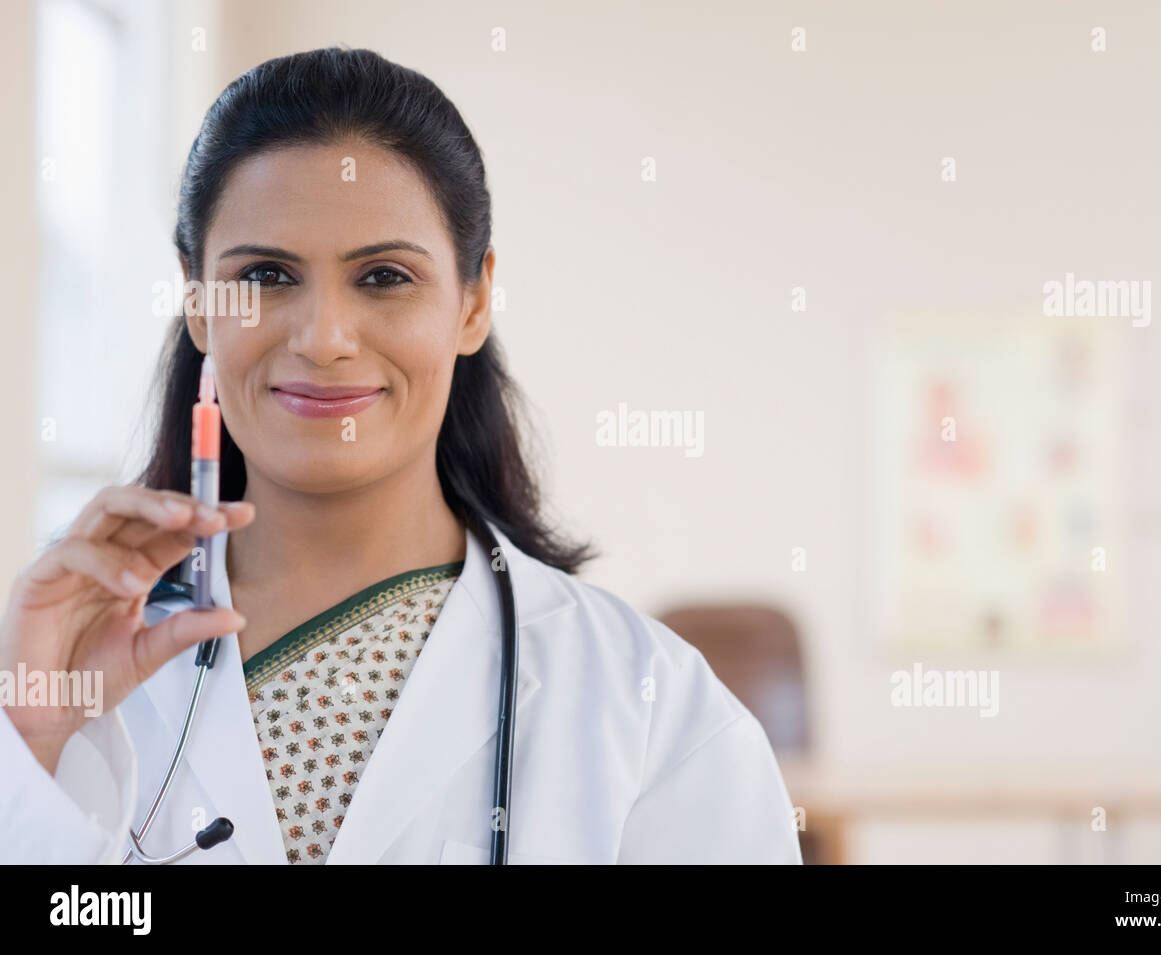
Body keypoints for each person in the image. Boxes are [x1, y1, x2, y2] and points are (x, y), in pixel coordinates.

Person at [0, 47, 802, 864]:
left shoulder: (653, 712)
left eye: (383, 276)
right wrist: (30, 737)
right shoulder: (64, 669)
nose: (324, 340)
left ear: (474, 299)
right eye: (268, 275)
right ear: (198, 301)